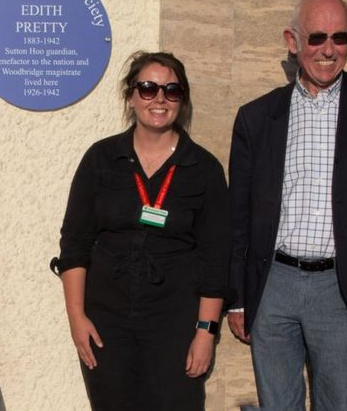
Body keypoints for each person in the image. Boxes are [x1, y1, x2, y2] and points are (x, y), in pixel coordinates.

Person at [227, 0, 347, 410]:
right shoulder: (256, 117)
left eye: (340, 38)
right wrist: (237, 295)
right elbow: (239, 215)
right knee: (277, 404)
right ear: (293, 41)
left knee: (339, 404)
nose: (329, 50)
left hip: (342, 287)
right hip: (273, 284)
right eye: (317, 38)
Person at [52, 51, 231, 410]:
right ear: (131, 96)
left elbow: (216, 259)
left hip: (175, 325)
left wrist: (205, 333)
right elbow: (75, 243)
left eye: (171, 90)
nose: (159, 99)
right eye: (148, 89)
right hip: (107, 324)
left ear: (183, 99)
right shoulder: (100, 160)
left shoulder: (204, 169)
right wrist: (76, 318)